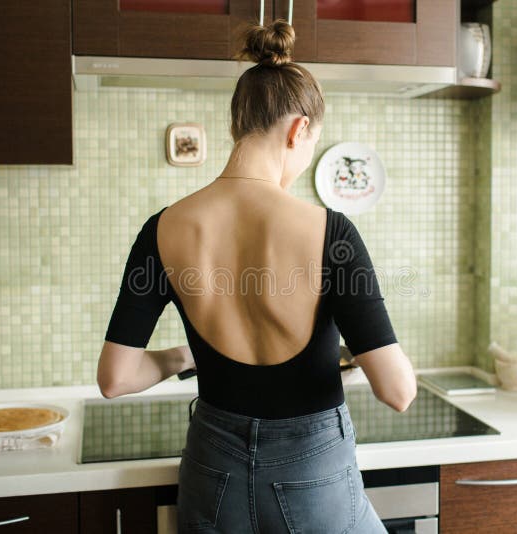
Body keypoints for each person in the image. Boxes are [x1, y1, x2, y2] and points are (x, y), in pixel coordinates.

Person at [97, 18, 417, 534]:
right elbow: (397, 391)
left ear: (236, 126)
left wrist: (187, 355)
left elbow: (115, 379)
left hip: (210, 471)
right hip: (312, 472)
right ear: (299, 130)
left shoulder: (162, 229)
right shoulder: (330, 232)